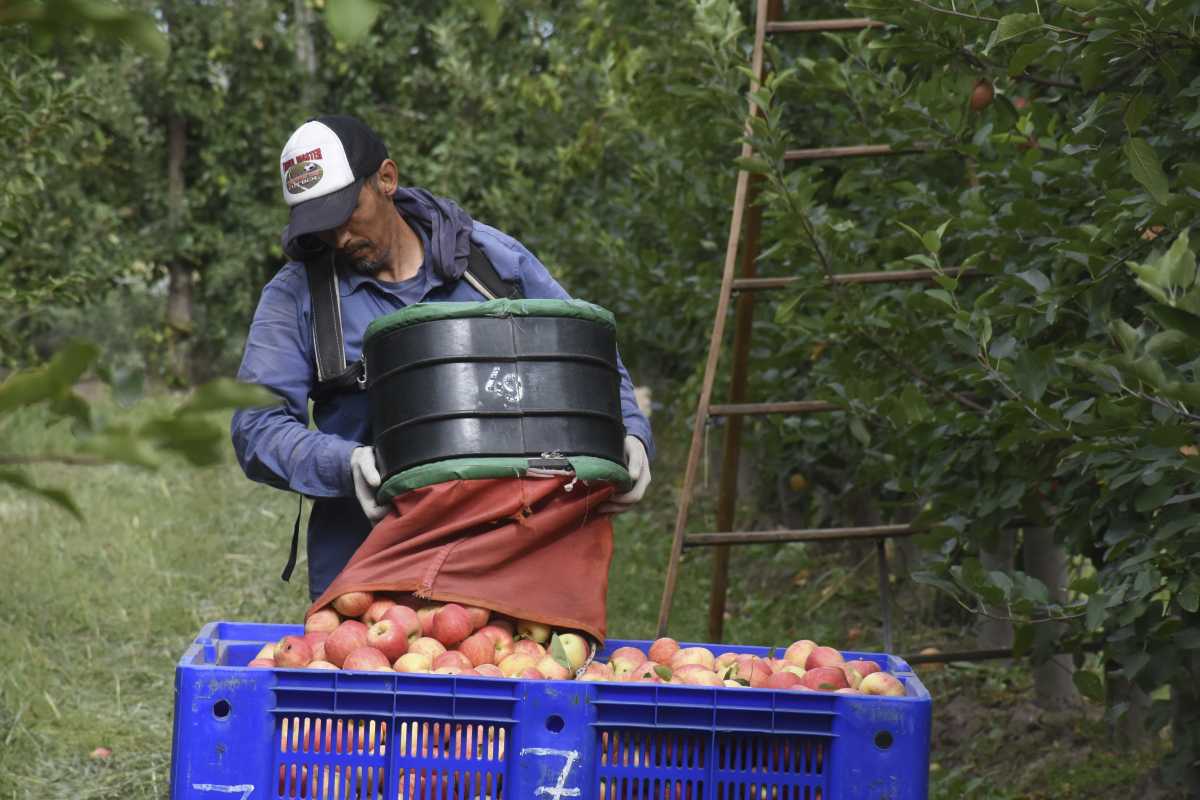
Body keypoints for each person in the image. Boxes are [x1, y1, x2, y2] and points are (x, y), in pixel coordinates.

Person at [231, 115, 653, 600]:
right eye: (319, 228)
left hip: (513, 560)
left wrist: (633, 435)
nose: (338, 239)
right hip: (371, 571)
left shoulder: (493, 265)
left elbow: (587, 354)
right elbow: (255, 426)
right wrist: (345, 463)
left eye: (345, 214)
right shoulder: (297, 295)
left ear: (386, 179)